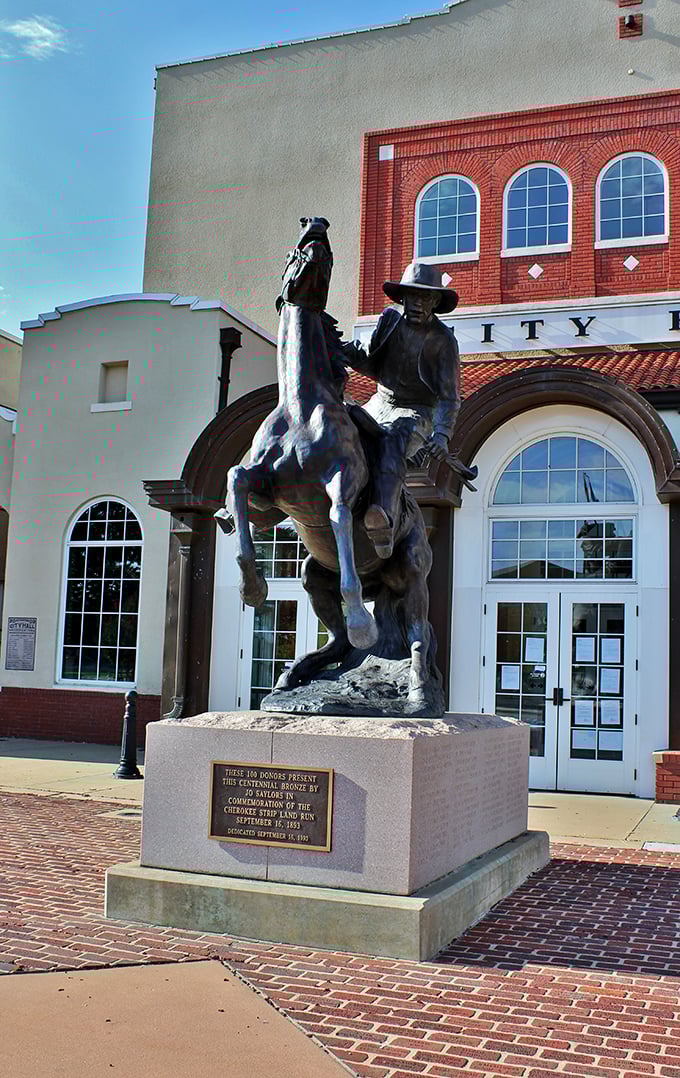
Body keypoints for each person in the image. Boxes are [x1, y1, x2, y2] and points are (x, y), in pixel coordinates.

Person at [341, 261, 476, 558]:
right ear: (402, 298)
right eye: (412, 296)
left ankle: (382, 520)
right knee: (342, 425)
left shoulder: (443, 341)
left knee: (392, 439)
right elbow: (368, 360)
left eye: (426, 297)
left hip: (416, 413)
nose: (417, 303)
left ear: (436, 302)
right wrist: (337, 349)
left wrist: (441, 434)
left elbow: (449, 397)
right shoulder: (389, 321)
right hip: (379, 402)